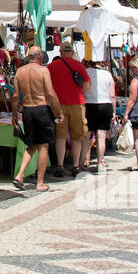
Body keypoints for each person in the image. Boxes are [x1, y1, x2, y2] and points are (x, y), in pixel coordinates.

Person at [12, 47, 65, 191]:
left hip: (27, 110)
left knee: (32, 144)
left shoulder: (19, 71)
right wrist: (59, 111)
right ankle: (40, 182)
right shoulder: (43, 70)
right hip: (42, 109)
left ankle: (20, 175)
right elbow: (50, 92)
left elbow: (16, 96)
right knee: (43, 146)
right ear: (40, 56)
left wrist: (14, 115)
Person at [47, 48, 91, 178]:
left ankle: (60, 166)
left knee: (60, 136)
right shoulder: (79, 65)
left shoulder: (52, 66)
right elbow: (87, 86)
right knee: (76, 137)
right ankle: (75, 165)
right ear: (72, 52)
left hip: (58, 105)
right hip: (77, 104)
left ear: (60, 52)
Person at [83, 59, 116, 172]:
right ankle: (100, 163)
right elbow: (112, 95)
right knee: (101, 137)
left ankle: (81, 162)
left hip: (89, 104)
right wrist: (114, 111)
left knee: (86, 136)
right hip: (105, 104)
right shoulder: (107, 74)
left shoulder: (85, 72)